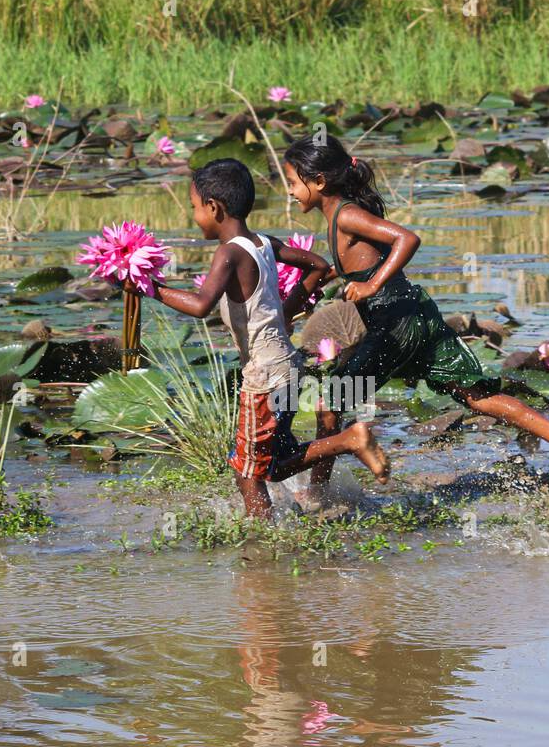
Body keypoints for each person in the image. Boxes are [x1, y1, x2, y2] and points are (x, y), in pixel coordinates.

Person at [281, 134, 549, 496]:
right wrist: (331, 281)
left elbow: (407, 239)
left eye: (292, 183)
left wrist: (371, 286)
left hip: (395, 325)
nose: (290, 192)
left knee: (330, 403)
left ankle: (318, 494)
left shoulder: (348, 215)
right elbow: (362, 259)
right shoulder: (340, 216)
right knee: (475, 396)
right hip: (417, 316)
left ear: (318, 182)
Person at [124, 158, 390, 518]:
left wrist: (151, 289)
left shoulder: (229, 252)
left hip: (264, 378)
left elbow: (202, 305)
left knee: (249, 471)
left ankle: (345, 444)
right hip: (286, 368)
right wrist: (285, 311)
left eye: (194, 208)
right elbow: (317, 266)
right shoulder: (262, 243)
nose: (194, 215)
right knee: (268, 465)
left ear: (214, 207)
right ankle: (272, 530)